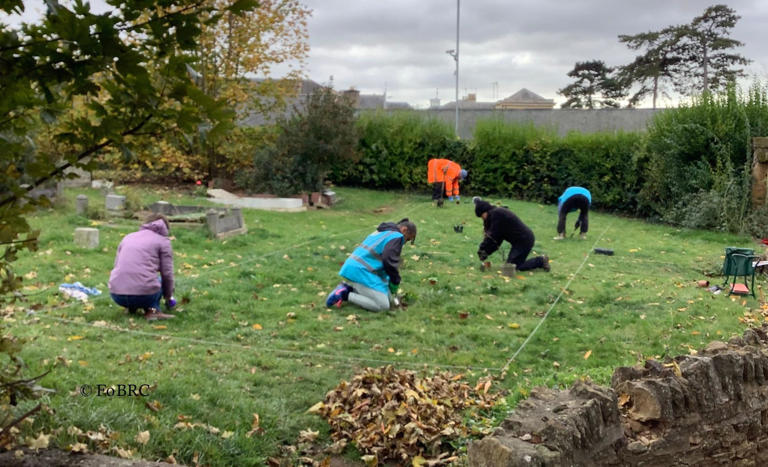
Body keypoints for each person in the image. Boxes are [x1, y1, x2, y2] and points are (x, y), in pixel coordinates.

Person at [326, 218, 417, 312]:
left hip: (356, 268)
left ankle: (350, 287)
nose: (405, 242)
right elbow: (388, 261)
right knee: (383, 306)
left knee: (388, 298)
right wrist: (395, 280)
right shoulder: (397, 236)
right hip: (360, 271)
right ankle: (345, 294)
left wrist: (389, 282)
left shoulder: (384, 231)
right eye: (407, 239)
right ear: (404, 230)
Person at [109, 214, 176, 321]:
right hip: (144, 295)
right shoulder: (163, 241)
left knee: (136, 278)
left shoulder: (128, 237)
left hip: (117, 295)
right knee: (158, 280)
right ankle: (153, 311)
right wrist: (168, 297)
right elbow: (167, 274)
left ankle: (131, 308)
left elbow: (117, 265)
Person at [474, 197, 549, 275]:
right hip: (519, 242)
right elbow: (497, 239)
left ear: (485, 211)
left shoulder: (497, 214)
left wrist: (483, 249)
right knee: (510, 267)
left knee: (510, 268)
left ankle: (541, 261)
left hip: (524, 241)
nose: (482, 219)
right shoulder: (496, 214)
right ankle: (539, 261)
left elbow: (493, 236)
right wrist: (486, 251)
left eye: (481, 216)